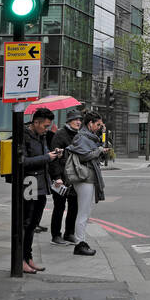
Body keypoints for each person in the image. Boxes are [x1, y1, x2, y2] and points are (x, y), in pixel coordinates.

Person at [20, 107, 63, 274]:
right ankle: (21, 260)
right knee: (26, 223)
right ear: (35, 122)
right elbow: (22, 161)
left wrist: (53, 154)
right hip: (29, 184)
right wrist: (47, 157)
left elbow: (44, 156)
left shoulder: (41, 136)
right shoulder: (24, 136)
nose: (47, 129)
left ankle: (28, 258)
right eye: (45, 126)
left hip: (41, 185)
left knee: (32, 224)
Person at [65, 111, 109, 256]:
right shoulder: (81, 137)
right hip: (84, 178)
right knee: (83, 213)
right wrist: (99, 150)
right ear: (90, 123)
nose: (99, 127)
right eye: (97, 124)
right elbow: (84, 156)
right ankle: (79, 244)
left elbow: (91, 153)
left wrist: (100, 149)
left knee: (87, 210)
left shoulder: (90, 137)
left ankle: (81, 241)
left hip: (89, 178)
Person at [49, 111, 82, 245]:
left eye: (80, 120)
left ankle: (70, 233)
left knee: (74, 207)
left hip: (74, 177)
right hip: (61, 177)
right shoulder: (60, 134)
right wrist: (57, 177)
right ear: (69, 121)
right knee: (59, 207)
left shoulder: (79, 135)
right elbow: (54, 158)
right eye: (75, 120)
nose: (78, 122)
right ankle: (56, 235)